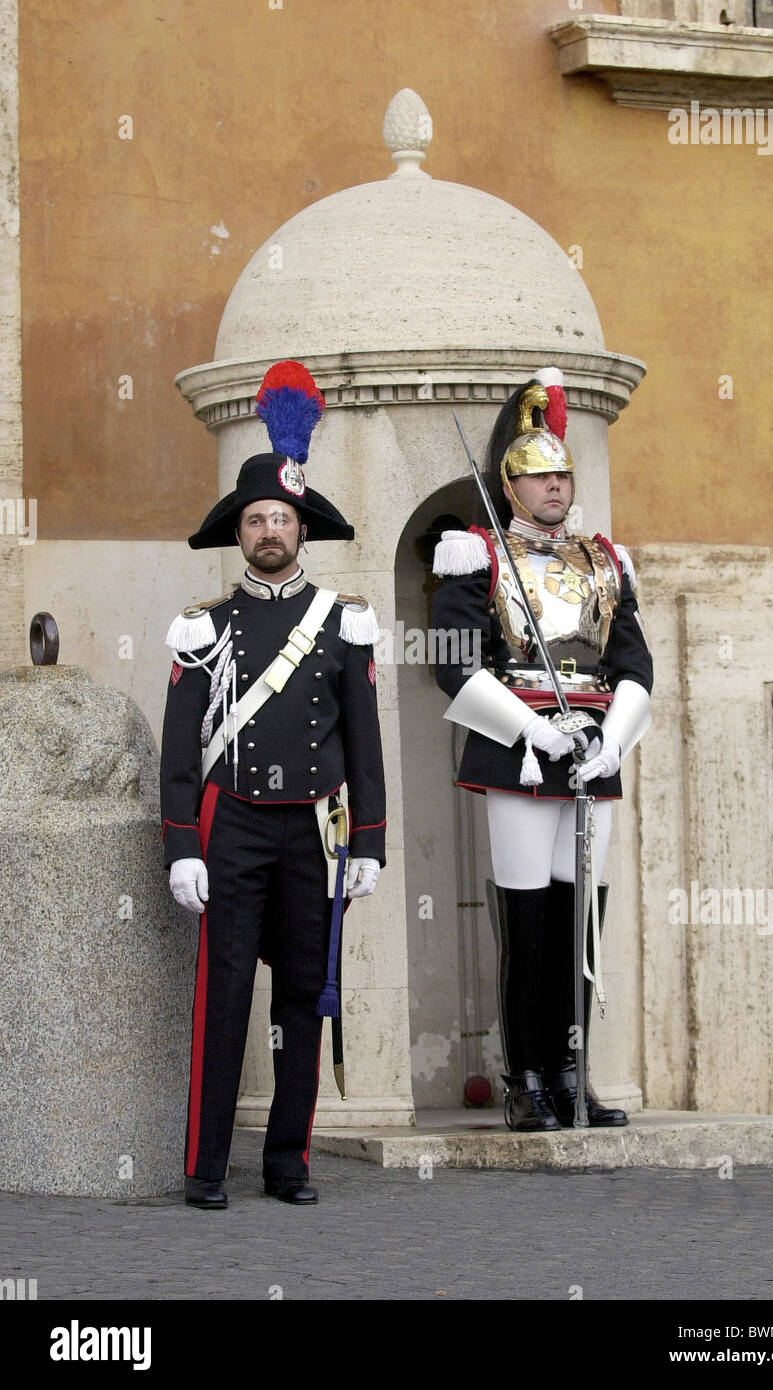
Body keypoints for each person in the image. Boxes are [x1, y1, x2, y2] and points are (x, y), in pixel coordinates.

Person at [160, 360, 385, 1207]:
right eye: (254, 519)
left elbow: (365, 745)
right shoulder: (203, 628)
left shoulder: (344, 620)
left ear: (301, 529)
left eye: (279, 518)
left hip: (313, 831)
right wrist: (182, 845)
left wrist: (370, 842)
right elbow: (179, 754)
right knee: (224, 1001)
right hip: (234, 829)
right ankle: (207, 1166)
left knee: (301, 1000)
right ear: (239, 533)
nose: (267, 532)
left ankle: (287, 1163)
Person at [431, 367, 652, 1132]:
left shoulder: (603, 562)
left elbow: (635, 666)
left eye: (562, 473)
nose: (555, 486)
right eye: (538, 475)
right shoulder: (476, 557)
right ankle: (524, 1075)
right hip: (519, 753)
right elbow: (452, 665)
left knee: (579, 921)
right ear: (511, 484)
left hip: (591, 754)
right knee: (526, 924)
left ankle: (571, 1073)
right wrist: (531, 728)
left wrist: (610, 740)